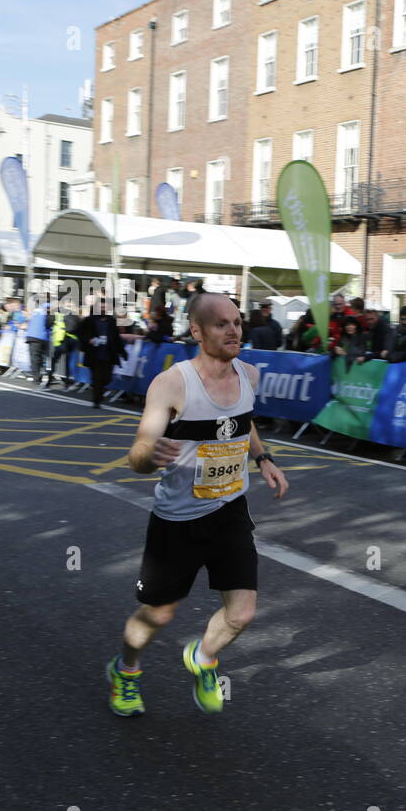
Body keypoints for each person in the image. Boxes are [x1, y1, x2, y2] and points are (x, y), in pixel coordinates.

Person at [106, 292, 289, 717]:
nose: (233, 331)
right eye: (222, 324)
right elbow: (137, 452)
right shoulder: (172, 384)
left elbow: (243, 422)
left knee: (241, 613)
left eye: (237, 322)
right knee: (159, 614)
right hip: (177, 520)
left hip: (229, 510)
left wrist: (263, 459)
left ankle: (203, 658)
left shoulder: (248, 374)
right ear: (197, 331)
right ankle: (126, 670)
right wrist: (149, 457)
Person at [75, 304, 129, 409]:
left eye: (105, 307)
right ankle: (97, 400)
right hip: (94, 354)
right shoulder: (89, 320)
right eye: (101, 307)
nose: (103, 309)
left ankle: (100, 390)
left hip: (108, 354)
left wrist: (123, 352)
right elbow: (80, 333)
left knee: (107, 378)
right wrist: (89, 340)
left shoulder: (111, 321)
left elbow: (116, 338)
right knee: (96, 378)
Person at [48, 306, 79, 389]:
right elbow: (78, 328)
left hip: (60, 341)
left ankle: (49, 379)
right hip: (70, 341)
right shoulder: (75, 316)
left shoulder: (57, 315)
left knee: (54, 361)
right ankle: (67, 382)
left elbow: (48, 324)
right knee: (67, 363)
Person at [25, 296, 53, 384]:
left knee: (34, 358)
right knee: (46, 358)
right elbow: (49, 323)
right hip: (42, 337)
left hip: (31, 336)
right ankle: (48, 376)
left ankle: (36, 377)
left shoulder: (35, 311)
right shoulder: (47, 310)